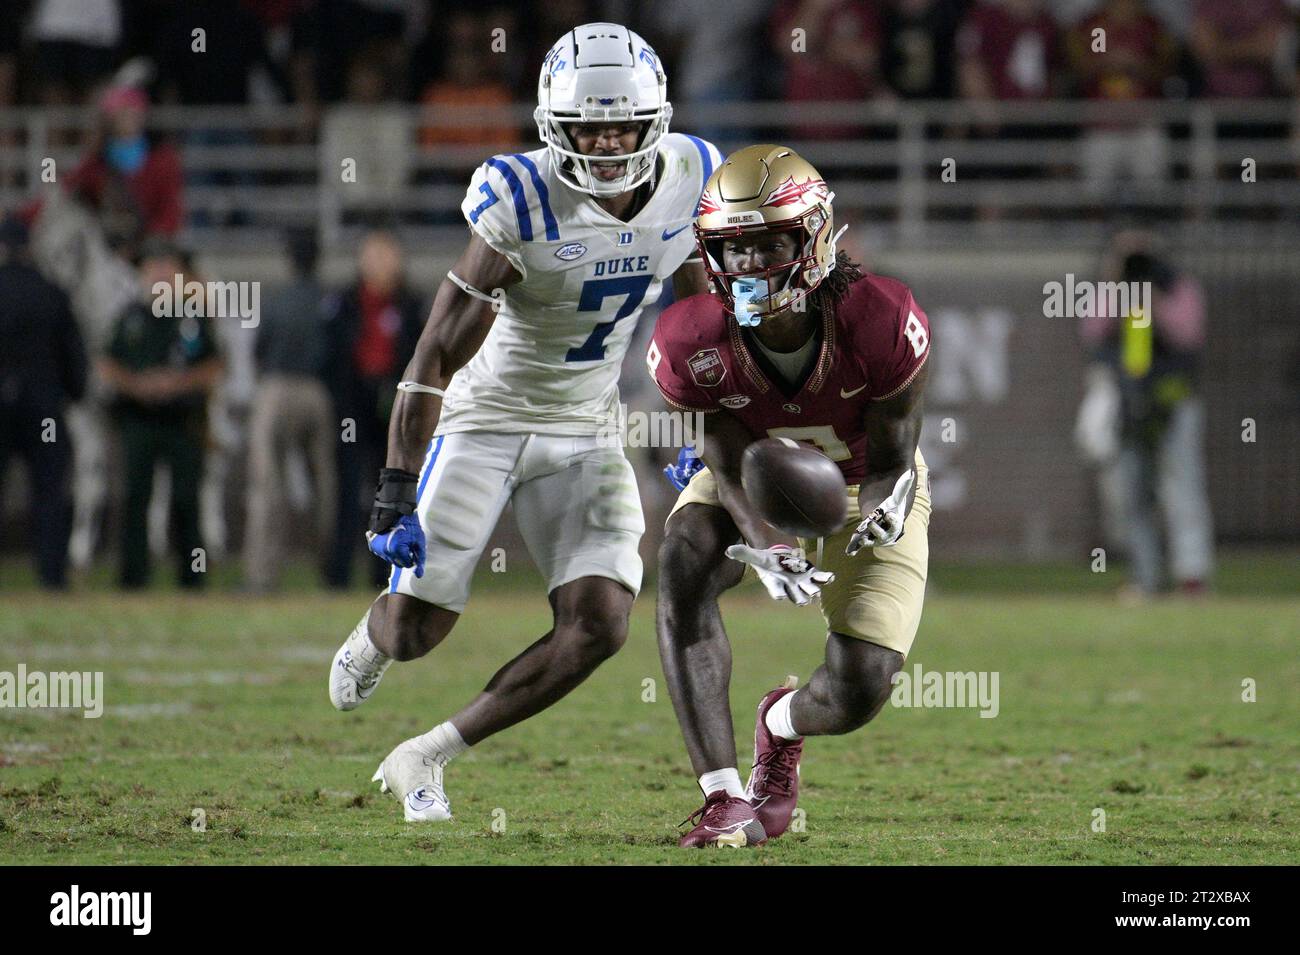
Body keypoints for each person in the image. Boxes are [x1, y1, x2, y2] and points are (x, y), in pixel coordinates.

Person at [328, 22, 721, 824]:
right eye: (590, 126)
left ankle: (427, 754)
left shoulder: (692, 176)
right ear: (554, 128)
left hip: (586, 422)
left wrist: (700, 427)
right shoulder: (520, 197)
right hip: (489, 416)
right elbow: (435, 350)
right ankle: (376, 635)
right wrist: (395, 489)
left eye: (624, 125)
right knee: (415, 631)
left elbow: (698, 318)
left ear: (658, 122)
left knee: (602, 623)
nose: (609, 144)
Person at [648, 145, 933, 847]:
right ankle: (723, 798)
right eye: (731, 249)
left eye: (767, 243)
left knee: (861, 683)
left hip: (863, 481)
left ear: (814, 238)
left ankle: (779, 723)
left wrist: (891, 500)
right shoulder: (693, 338)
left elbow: (894, 456)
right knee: (683, 557)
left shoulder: (881, 319)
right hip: (749, 466)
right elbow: (723, 451)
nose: (747, 265)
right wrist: (768, 541)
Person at [1081, 233, 1213, 596]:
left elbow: (1187, 335)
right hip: (1126, 404)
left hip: (1173, 402)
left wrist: (1152, 299)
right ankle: (1147, 576)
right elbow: (1093, 330)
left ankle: (1192, 576)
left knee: (1182, 486)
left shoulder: (1178, 287)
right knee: (1131, 492)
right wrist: (1115, 284)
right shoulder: (1113, 289)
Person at [98, 238, 222, 589]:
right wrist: (138, 385)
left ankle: (192, 577)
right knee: (135, 496)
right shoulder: (130, 316)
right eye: (154, 268)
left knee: (186, 497)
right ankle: (133, 578)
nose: (161, 275)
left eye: (168, 268)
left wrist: (178, 384)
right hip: (139, 420)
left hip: (183, 421)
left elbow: (214, 366)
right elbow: (107, 364)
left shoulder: (192, 316)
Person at [323, 230, 424, 589]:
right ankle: (338, 575)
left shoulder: (412, 305)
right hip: (353, 408)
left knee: (391, 491)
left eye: (387, 255)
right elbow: (331, 357)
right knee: (348, 492)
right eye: (373, 255)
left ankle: (385, 572)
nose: (380, 263)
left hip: (395, 410)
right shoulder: (344, 302)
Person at [242, 229, 337, 592]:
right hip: (317, 390)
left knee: (267, 487)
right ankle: (330, 570)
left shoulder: (278, 299)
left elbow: (258, 351)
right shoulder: (326, 300)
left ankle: (263, 575)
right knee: (323, 486)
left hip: (276, 389)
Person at [0, 214, 88, 589]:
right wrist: (73, 393)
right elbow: (73, 356)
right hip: (44, 411)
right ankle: (51, 575)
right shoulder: (51, 291)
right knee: (50, 491)